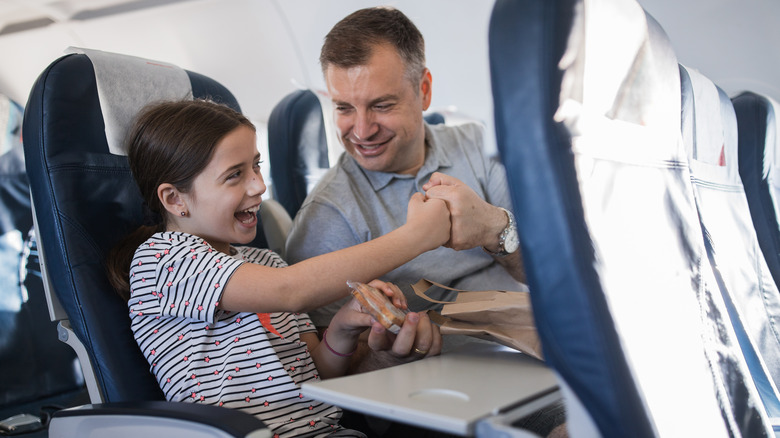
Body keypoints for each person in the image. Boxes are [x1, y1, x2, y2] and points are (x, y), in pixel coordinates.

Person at [285, 7, 567, 438]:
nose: (361, 130)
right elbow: (337, 383)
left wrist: (494, 229)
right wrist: (388, 357)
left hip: (542, 348)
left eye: (381, 105)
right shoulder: (326, 218)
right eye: (344, 108)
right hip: (445, 392)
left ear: (424, 89)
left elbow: (557, 279)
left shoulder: (478, 146)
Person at [106, 99, 450, 438]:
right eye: (234, 175)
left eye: (256, 166)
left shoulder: (265, 262)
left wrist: (344, 327)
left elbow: (315, 375)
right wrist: (417, 237)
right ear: (175, 199)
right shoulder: (164, 259)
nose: (259, 185)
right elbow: (292, 290)